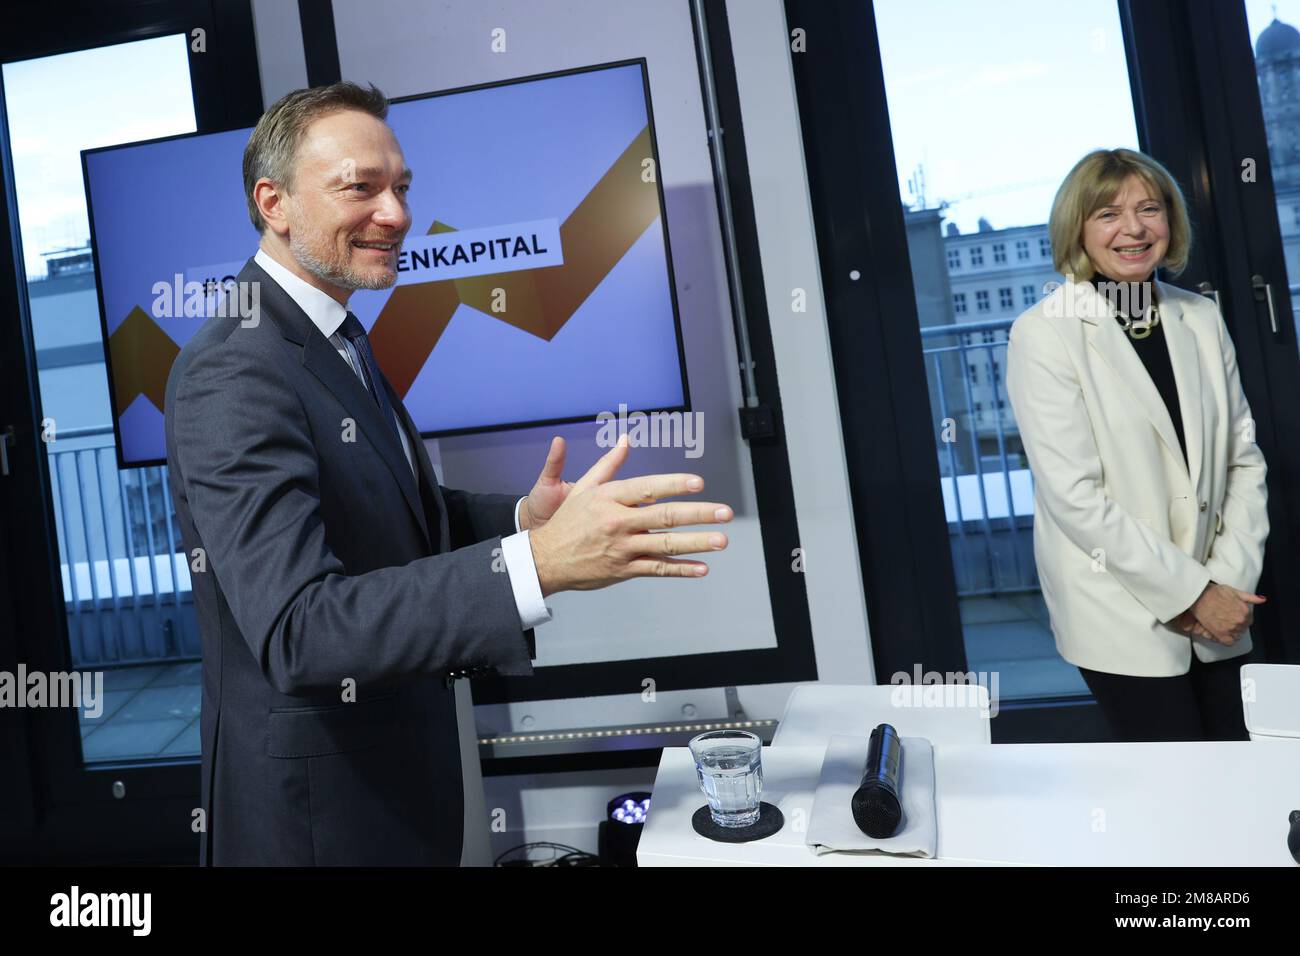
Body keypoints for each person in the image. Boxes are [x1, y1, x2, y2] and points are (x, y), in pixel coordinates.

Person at [163, 82, 733, 864]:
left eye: (400, 188)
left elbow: (385, 515)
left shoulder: (335, 335)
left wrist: (520, 523)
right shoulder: (234, 368)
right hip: (320, 824)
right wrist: (533, 567)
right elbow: (301, 630)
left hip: (394, 791)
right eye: (360, 188)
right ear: (275, 202)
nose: (395, 214)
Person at [1005, 148, 1269, 742]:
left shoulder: (1200, 317)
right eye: (1108, 214)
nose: (1134, 229)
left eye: (1150, 209)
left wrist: (1227, 583)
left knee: (1244, 770)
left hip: (1224, 602)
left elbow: (1242, 460)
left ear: (1170, 221)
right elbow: (1075, 496)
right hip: (1118, 606)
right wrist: (1194, 593)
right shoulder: (1044, 334)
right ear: (1077, 228)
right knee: (1176, 788)